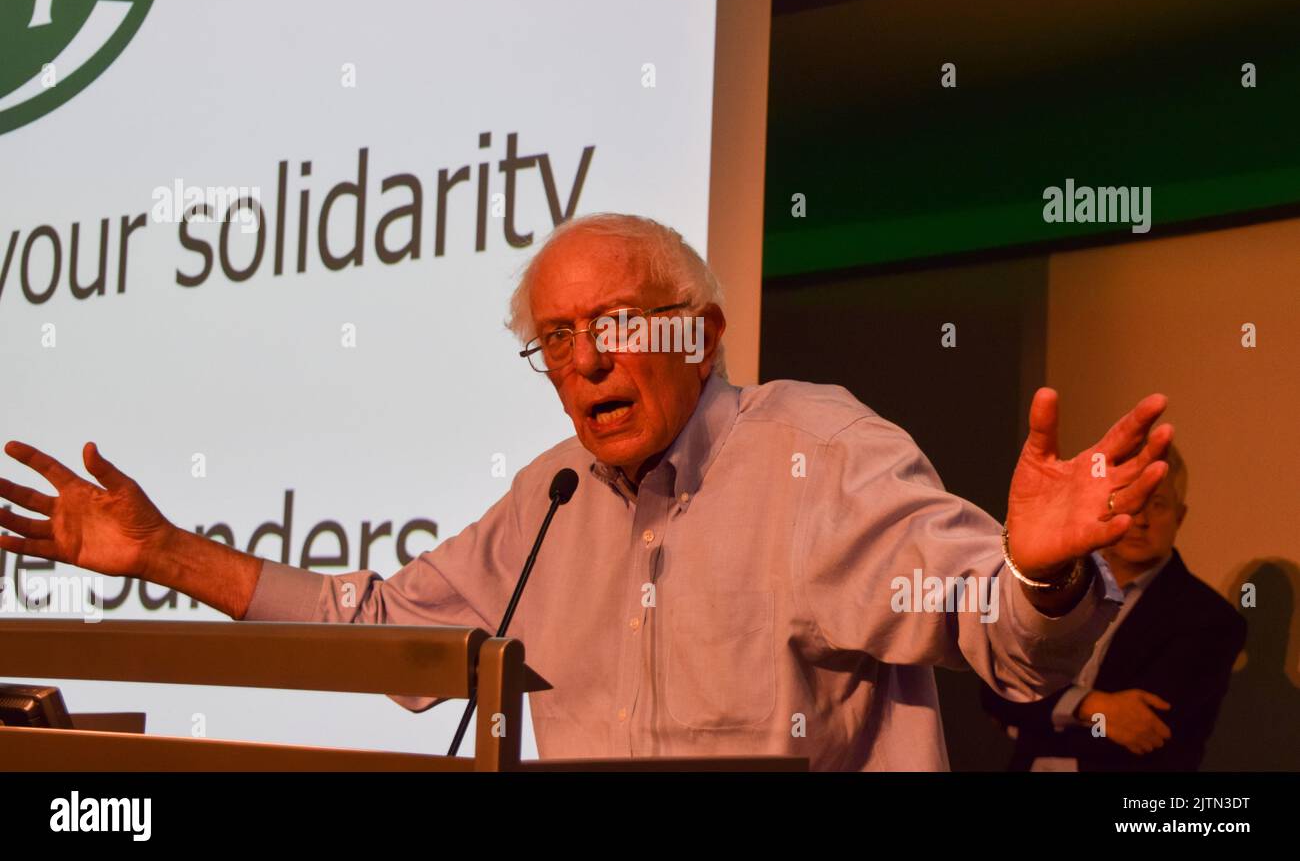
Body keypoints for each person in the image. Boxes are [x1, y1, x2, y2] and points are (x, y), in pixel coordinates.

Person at [0, 213, 1175, 770]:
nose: (585, 361)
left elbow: (1004, 637)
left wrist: (1037, 563)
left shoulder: (811, 450)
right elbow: (379, 631)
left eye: (614, 323)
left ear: (699, 333)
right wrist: (165, 552)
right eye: (556, 339)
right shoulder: (545, 500)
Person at [979, 444, 1246, 770]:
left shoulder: (1210, 619)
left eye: (1158, 504)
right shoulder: (1061, 586)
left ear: (1180, 516)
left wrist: (1027, 720)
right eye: (1132, 501)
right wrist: (1090, 705)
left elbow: (1144, 734)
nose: (1141, 520)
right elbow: (996, 690)